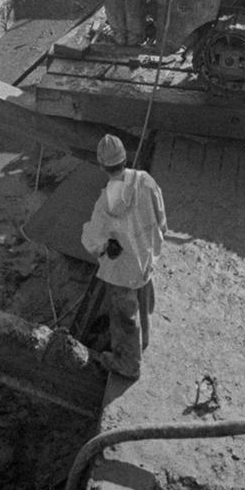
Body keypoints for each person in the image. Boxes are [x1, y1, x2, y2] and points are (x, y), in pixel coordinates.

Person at [81, 134, 167, 380]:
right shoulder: (145, 180)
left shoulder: (105, 202)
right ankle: (145, 340)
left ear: (101, 165)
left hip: (122, 272)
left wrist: (104, 246)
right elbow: (161, 218)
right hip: (146, 258)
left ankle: (128, 363)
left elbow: (91, 241)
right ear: (125, 158)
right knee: (144, 300)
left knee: (123, 318)